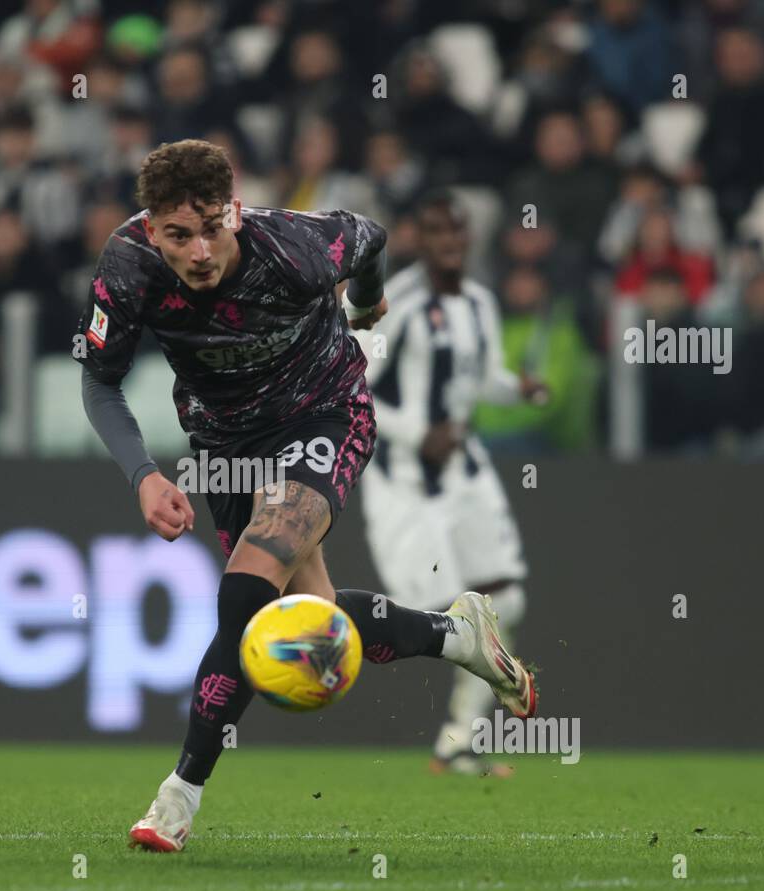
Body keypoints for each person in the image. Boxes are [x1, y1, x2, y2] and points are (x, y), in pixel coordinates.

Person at [75, 140, 537, 852]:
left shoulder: (289, 246)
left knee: (242, 596)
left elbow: (370, 238)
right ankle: (456, 634)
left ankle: (179, 795)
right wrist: (144, 473)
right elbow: (100, 379)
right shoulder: (128, 266)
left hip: (324, 413)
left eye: (213, 228)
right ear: (150, 227)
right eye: (178, 235)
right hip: (225, 446)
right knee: (310, 623)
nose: (199, 251)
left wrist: (367, 299)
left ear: (235, 210)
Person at [355, 190, 548, 775]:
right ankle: (449, 735)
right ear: (419, 237)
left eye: (457, 230)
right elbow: (352, 384)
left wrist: (518, 389)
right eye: (437, 230)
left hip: (465, 472)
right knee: (436, 617)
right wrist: (416, 433)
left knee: (505, 597)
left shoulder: (480, 304)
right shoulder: (396, 305)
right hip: (404, 482)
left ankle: (460, 741)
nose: (450, 241)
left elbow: (481, 376)